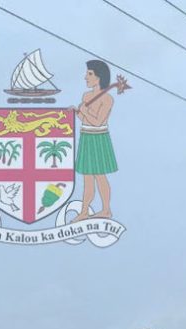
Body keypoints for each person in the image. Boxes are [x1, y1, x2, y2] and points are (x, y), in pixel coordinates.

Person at [74, 60, 118, 220]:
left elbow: (98, 121)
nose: (86, 77)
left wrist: (84, 111)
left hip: (98, 138)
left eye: (90, 74)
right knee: (87, 178)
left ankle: (106, 209)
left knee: (100, 176)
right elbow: (83, 118)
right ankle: (84, 211)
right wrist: (76, 112)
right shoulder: (86, 96)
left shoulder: (107, 99)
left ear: (99, 77)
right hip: (86, 136)